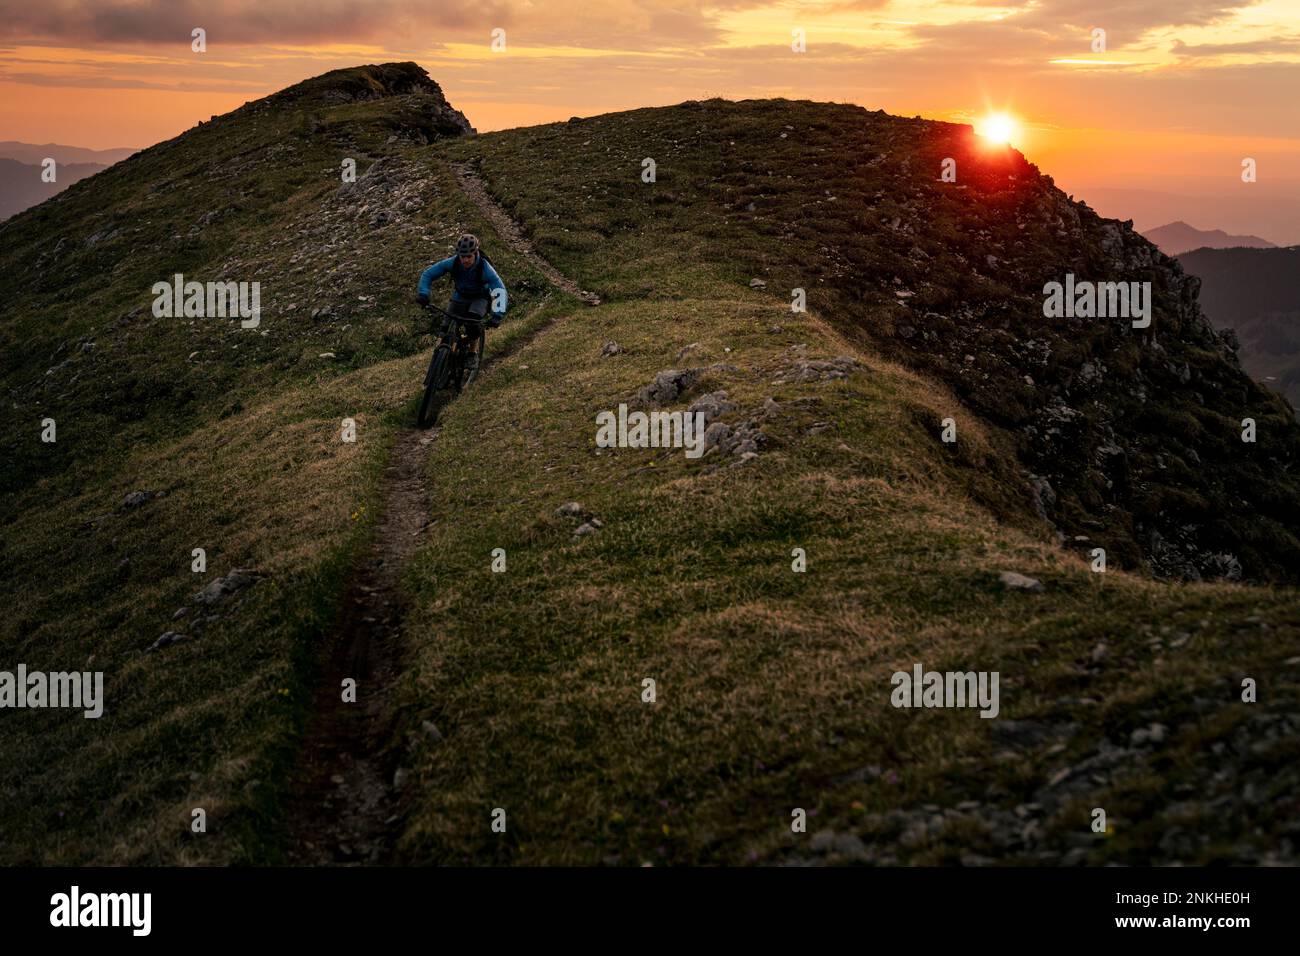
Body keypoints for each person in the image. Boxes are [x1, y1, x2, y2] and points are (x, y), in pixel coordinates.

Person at [415, 233, 508, 377]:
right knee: (445, 329)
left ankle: (472, 353)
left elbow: (499, 289)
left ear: (475, 253)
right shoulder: (453, 263)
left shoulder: (485, 267)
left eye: (468, 256)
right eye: (462, 256)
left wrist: (497, 314)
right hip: (460, 297)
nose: (465, 260)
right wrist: (423, 293)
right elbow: (428, 274)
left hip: (479, 299)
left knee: (473, 325)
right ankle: (439, 361)